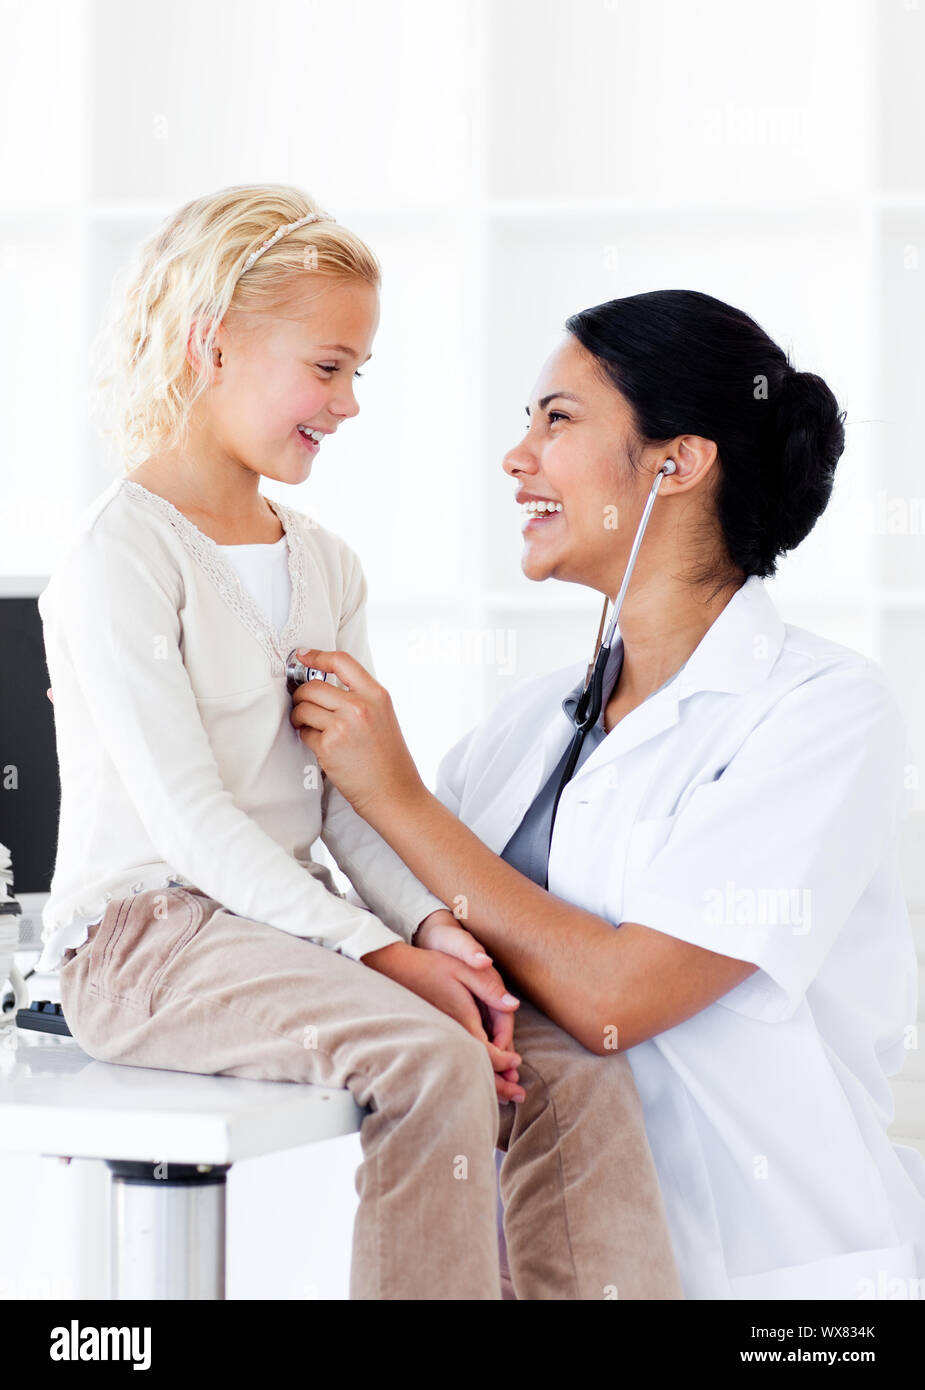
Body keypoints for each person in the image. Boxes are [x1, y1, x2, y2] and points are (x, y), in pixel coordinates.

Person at [39, 185, 682, 1300]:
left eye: (358, 373)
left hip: (287, 928)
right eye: (327, 366)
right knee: (431, 1059)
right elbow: (192, 824)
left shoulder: (325, 563)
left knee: (563, 1063)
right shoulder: (120, 555)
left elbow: (346, 803)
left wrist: (440, 931)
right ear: (215, 341)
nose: (345, 405)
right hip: (147, 942)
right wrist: (385, 956)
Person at [290, 288, 925, 1300]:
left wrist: (396, 794)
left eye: (557, 418)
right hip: (535, 1255)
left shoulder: (822, 712)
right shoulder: (527, 725)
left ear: (677, 461)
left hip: (755, 1271)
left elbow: (618, 999)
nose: (517, 457)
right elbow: (404, 934)